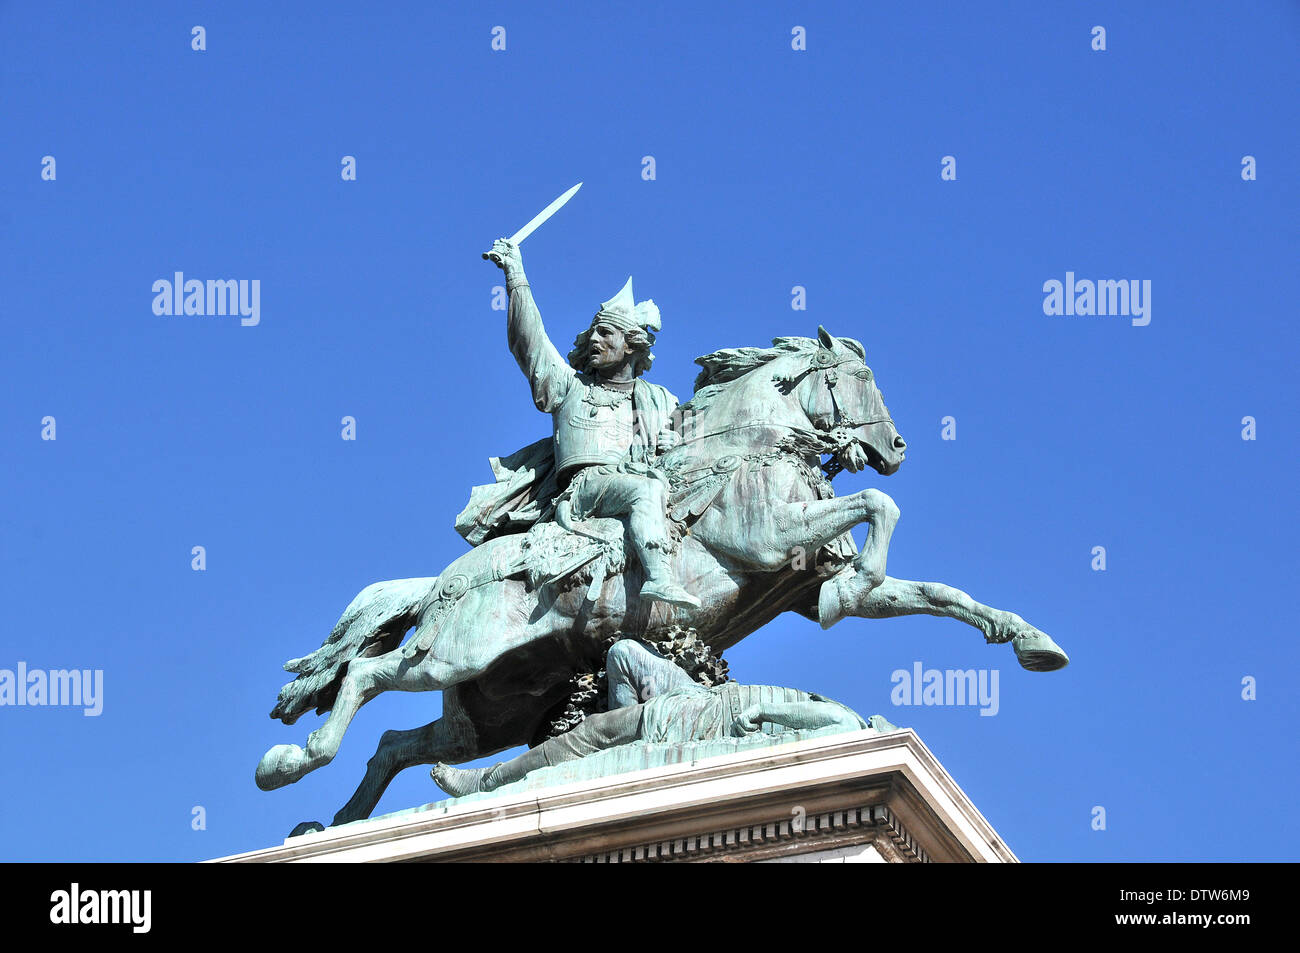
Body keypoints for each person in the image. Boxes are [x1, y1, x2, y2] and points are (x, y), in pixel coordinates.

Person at [482, 237, 699, 609]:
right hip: (585, 489)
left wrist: (671, 442)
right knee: (643, 491)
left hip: (642, 484)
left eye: (605, 333)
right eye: (593, 332)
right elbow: (528, 341)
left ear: (631, 344)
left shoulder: (662, 400)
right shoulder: (570, 386)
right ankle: (659, 579)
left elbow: (688, 447)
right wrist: (515, 274)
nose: (594, 339)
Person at [432, 639, 865, 796]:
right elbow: (839, 721)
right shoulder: (849, 719)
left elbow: (842, 729)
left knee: (586, 735)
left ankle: (484, 783)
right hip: (707, 698)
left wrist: (767, 711)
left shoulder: (853, 733)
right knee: (624, 652)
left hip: (696, 720)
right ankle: (624, 733)